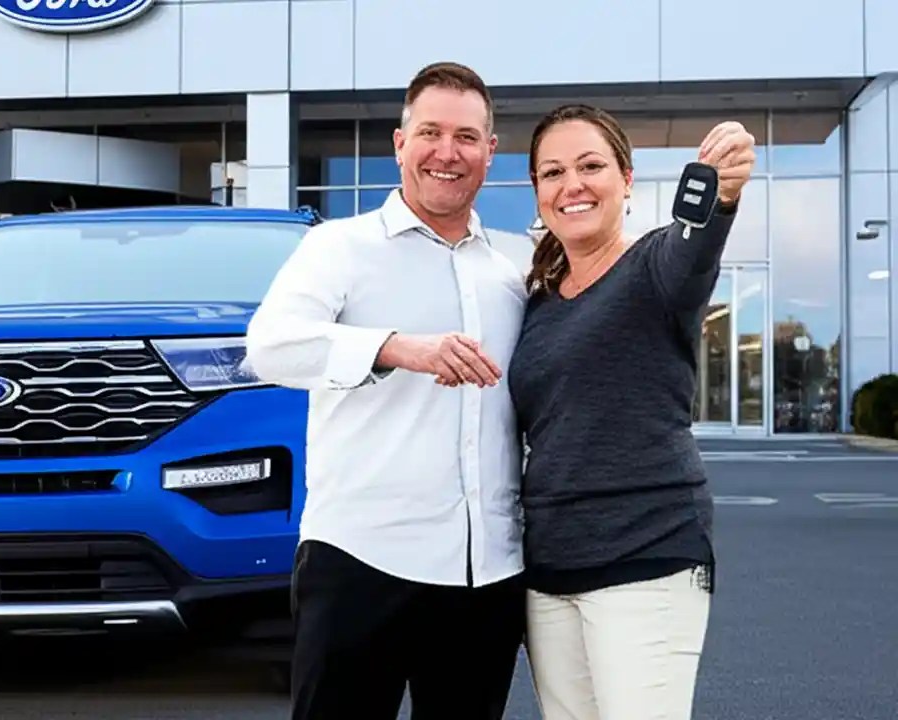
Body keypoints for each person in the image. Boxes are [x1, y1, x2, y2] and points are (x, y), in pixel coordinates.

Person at [245, 61, 528, 720]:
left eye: (466, 136)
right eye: (430, 132)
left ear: (490, 151)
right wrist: (397, 347)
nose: (446, 152)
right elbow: (269, 346)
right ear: (400, 144)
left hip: (484, 576)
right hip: (360, 564)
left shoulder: (513, 267)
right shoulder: (337, 247)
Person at [506, 104, 755, 719]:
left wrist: (718, 195)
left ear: (626, 179)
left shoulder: (654, 266)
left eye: (591, 166)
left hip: (646, 556)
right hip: (550, 569)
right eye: (553, 172)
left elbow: (694, 251)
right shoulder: (536, 301)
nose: (573, 185)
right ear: (537, 191)